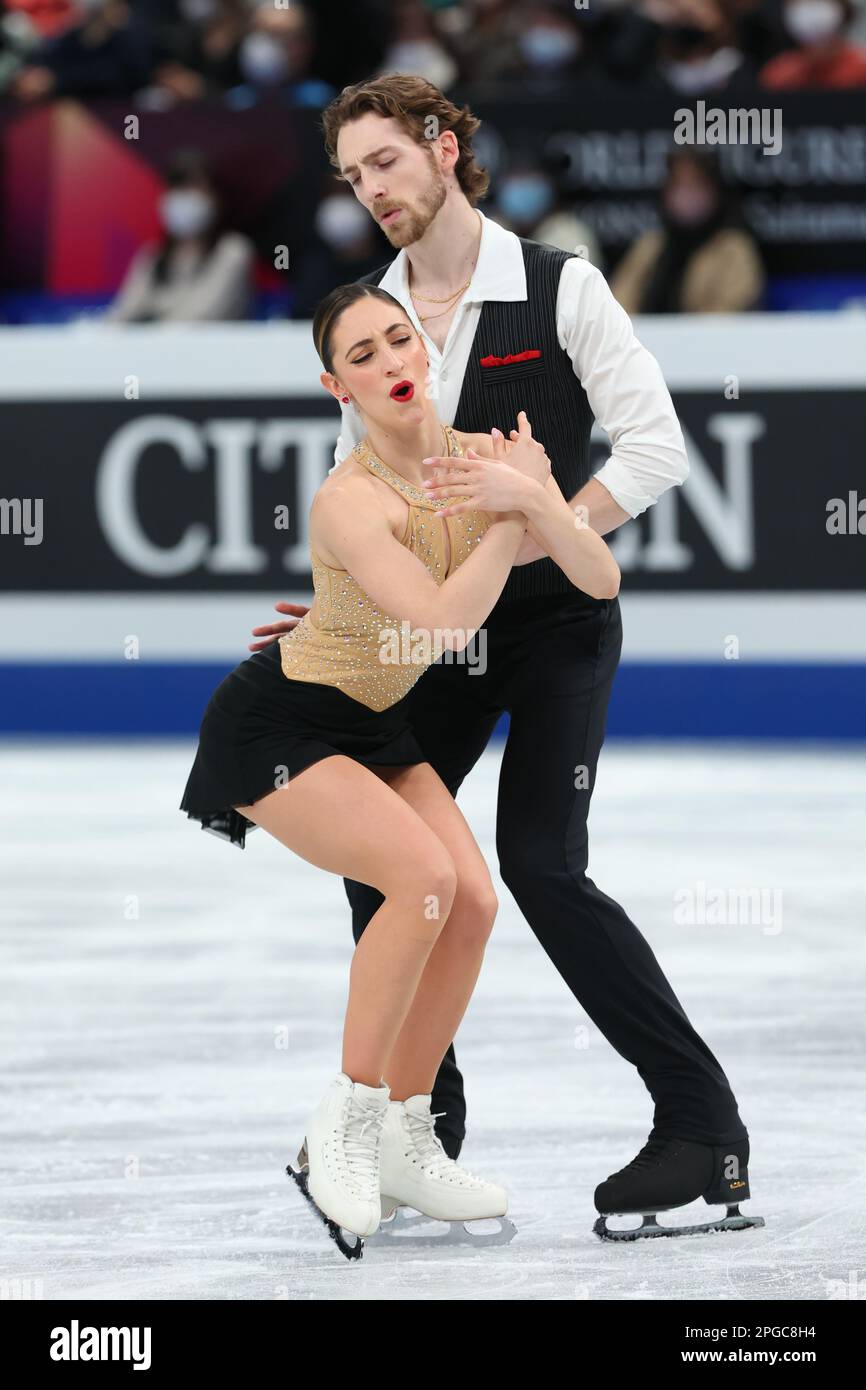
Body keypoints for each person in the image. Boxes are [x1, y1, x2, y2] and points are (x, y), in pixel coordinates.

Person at [250, 73, 761, 1239]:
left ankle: (699, 1122)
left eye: (384, 162)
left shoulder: (557, 286)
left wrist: (551, 522)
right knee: (386, 854)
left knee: (538, 863)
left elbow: (655, 445)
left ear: (441, 148)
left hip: (556, 629)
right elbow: (364, 487)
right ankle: (417, 1123)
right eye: (350, 176)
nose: (370, 191)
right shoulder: (369, 309)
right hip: (441, 629)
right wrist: (338, 609)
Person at [180, 280, 620, 1242]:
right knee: (420, 881)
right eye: (362, 357)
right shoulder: (349, 500)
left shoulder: (488, 455)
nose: (389, 364)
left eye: (398, 340)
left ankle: (407, 1139)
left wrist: (536, 494)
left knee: (471, 902)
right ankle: (344, 1123)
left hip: (376, 729)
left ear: (427, 349)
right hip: (281, 729)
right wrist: (514, 515)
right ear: (338, 387)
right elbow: (440, 625)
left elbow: (599, 574)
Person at [104, 149, 254, 323]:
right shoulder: (152, 256)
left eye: (194, 189)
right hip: (154, 348)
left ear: (216, 200)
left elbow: (203, 315)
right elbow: (124, 313)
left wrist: (151, 317)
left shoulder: (233, 251)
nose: (184, 198)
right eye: (178, 189)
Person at [611, 149, 764, 314]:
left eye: (696, 185)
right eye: (678, 185)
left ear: (715, 191)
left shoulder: (733, 249)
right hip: (642, 339)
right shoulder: (650, 247)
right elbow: (617, 304)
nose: (687, 195)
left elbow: (729, 314)